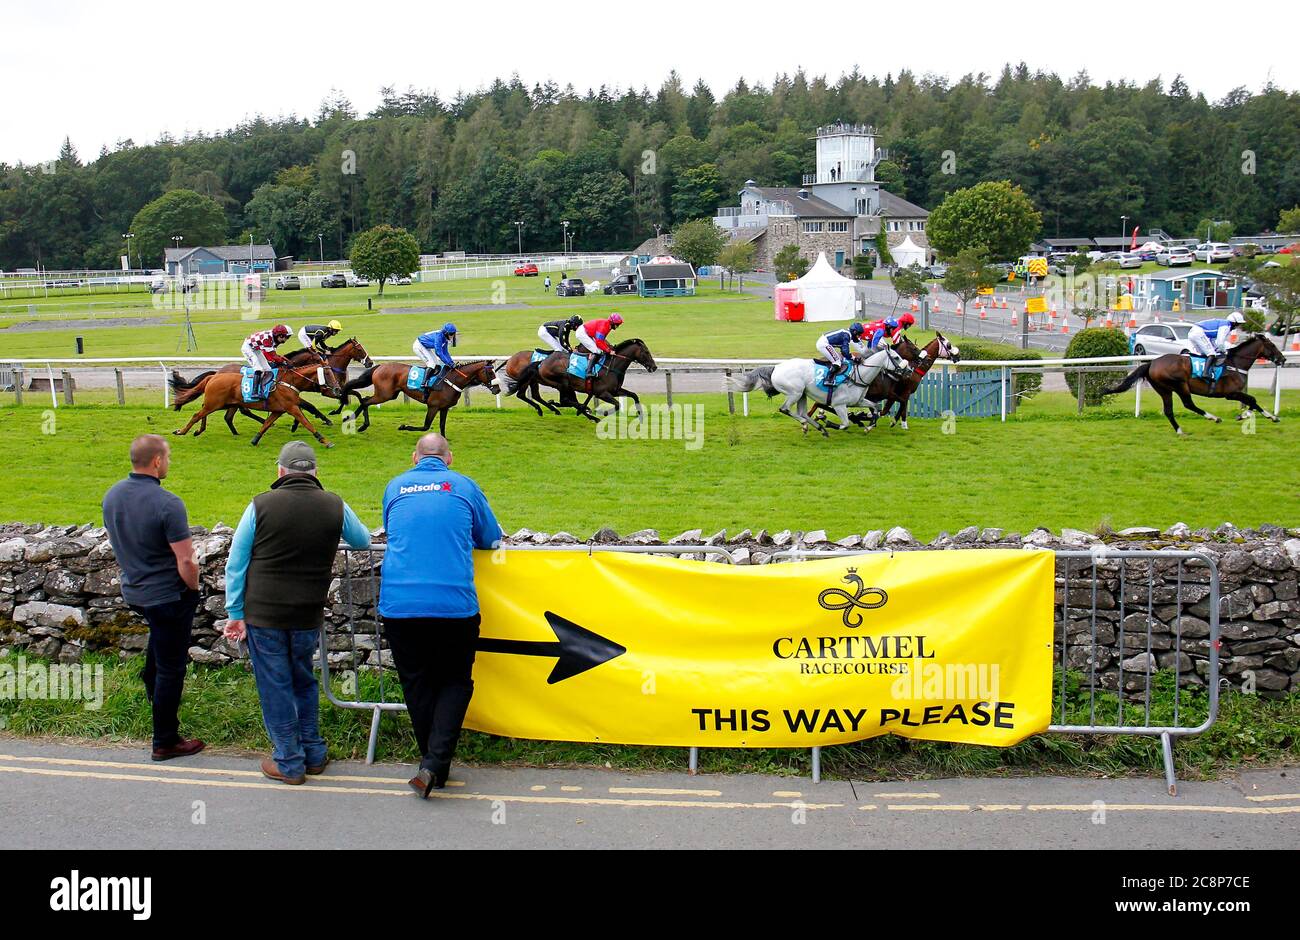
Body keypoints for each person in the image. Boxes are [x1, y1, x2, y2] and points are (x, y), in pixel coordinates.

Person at [222, 442, 371, 785]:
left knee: (275, 685)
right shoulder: (334, 504)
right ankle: (314, 753)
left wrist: (235, 611)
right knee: (303, 679)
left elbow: (236, 562)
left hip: (264, 613)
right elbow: (362, 540)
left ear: (280, 471)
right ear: (315, 472)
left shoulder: (260, 505)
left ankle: (289, 761)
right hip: (307, 612)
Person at [379, 433, 502, 798]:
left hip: (400, 603)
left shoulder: (395, 486)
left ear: (414, 457)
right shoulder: (463, 486)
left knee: (416, 682)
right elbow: (490, 538)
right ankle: (434, 764)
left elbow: (393, 530)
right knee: (455, 681)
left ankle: (431, 763)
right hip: (453, 604)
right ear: (449, 458)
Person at [101, 435, 204, 762]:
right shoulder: (168, 503)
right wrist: (194, 588)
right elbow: (185, 561)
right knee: (172, 669)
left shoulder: (112, 495)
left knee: (160, 647)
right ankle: (165, 740)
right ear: (157, 461)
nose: (169, 462)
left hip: (135, 591)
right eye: (168, 457)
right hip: (167, 595)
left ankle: (151, 683)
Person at [1188, 312, 1245, 381]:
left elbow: (1212, 340)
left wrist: (1216, 349)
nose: (1238, 326)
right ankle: (1205, 373)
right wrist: (1224, 351)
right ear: (1234, 322)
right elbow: (1220, 342)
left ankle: (1202, 371)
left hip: (1193, 332)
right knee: (1211, 354)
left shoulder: (1223, 324)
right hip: (1198, 332)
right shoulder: (1226, 326)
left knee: (1206, 354)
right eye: (1238, 324)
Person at [243, 324, 292, 398]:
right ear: (280, 336)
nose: (286, 340)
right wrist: (284, 362)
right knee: (259, 369)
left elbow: (273, 355)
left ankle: (263, 391)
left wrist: (282, 360)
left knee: (268, 369)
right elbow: (272, 356)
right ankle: (254, 392)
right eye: (286, 337)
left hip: (256, 349)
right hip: (248, 348)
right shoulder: (267, 339)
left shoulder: (274, 338)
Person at [413, 322, 457, 391]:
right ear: (446, 333)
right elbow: (438, 352)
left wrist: (451, 363)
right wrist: (448, 363)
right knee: (431, 364)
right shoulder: (439, 337)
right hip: (419, 346)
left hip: (426, 347)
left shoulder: (445, 338)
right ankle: (423, 383)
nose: (453, 336)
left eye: (454, 334)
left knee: (437, 365)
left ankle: (431, 381)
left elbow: (445, 352)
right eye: (451, 334)